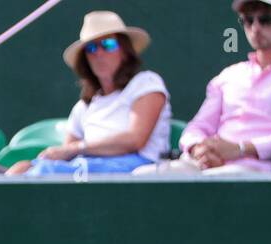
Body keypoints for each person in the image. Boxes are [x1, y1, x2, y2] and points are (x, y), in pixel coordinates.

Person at [137, 0, 271, 175]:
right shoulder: (228, 76)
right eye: (248, 20)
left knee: (222, 179)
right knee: (143, 176)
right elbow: (196, 128)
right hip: (207, 167)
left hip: (262, 173)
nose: (256, 27)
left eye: (265, 19)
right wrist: (200, 150)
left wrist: (242, 149)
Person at [9, 11, 170, 177]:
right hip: (87, 170)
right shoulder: (84, 106)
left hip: (138, 170)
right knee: (19, 169)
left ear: (124, 50)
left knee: (44, 172)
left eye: (108, 44)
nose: (98, 53)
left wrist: (76, 148)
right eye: (91, 48)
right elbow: (64, 154)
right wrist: (37, 162)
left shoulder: (146, 82)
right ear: (85, 59)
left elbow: (135, 140)